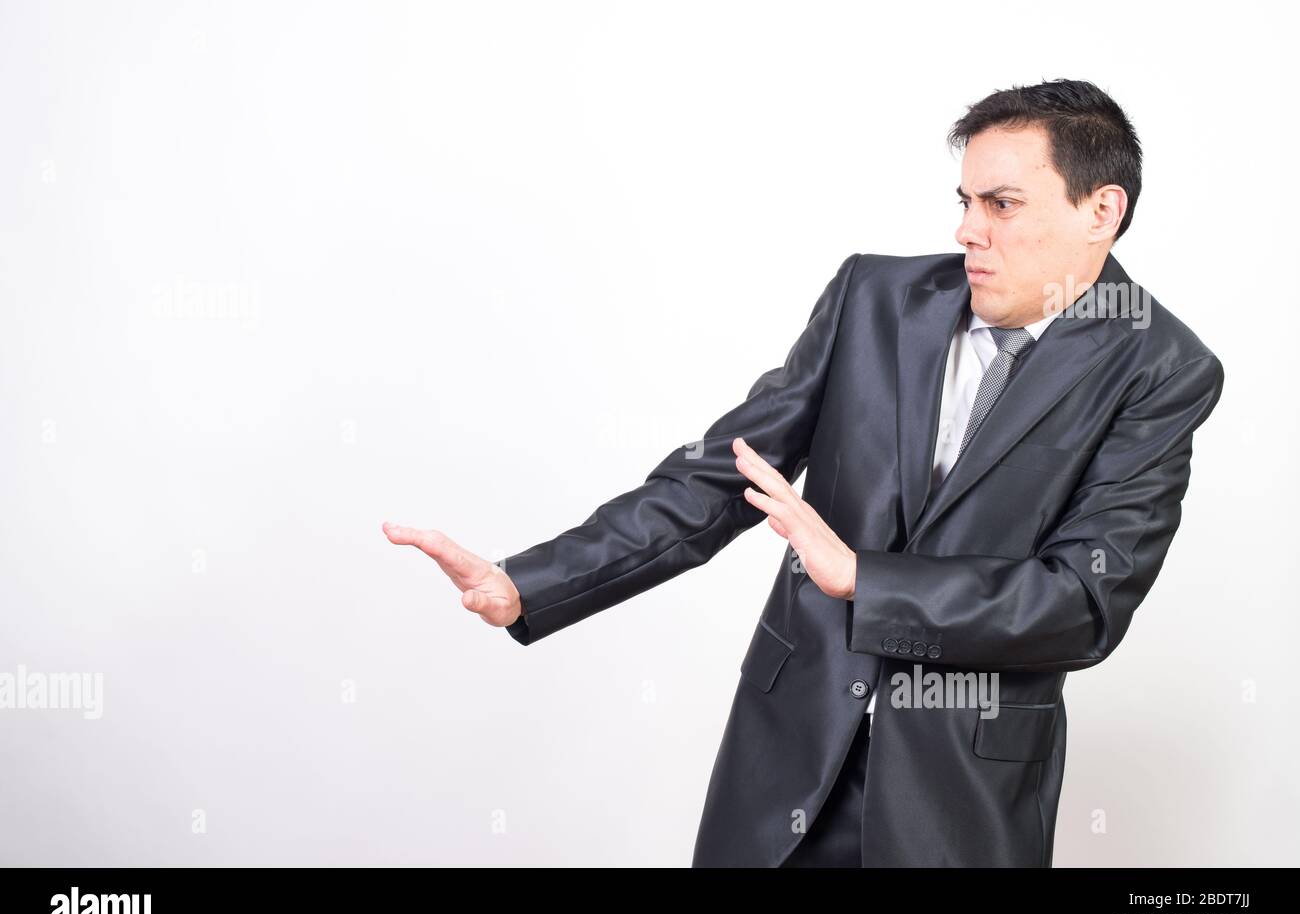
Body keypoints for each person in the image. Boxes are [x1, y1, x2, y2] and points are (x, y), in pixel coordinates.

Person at [384, 78, 1225, 867]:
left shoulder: (1163, 368)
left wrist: (864, 578)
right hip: (785, 751)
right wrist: (525, 583)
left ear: (1101, 211)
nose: (970, 229)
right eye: (965, 201)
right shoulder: (875, 298)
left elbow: (1080, 602)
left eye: (1002, 204)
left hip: (959, 796)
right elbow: (718, 479)